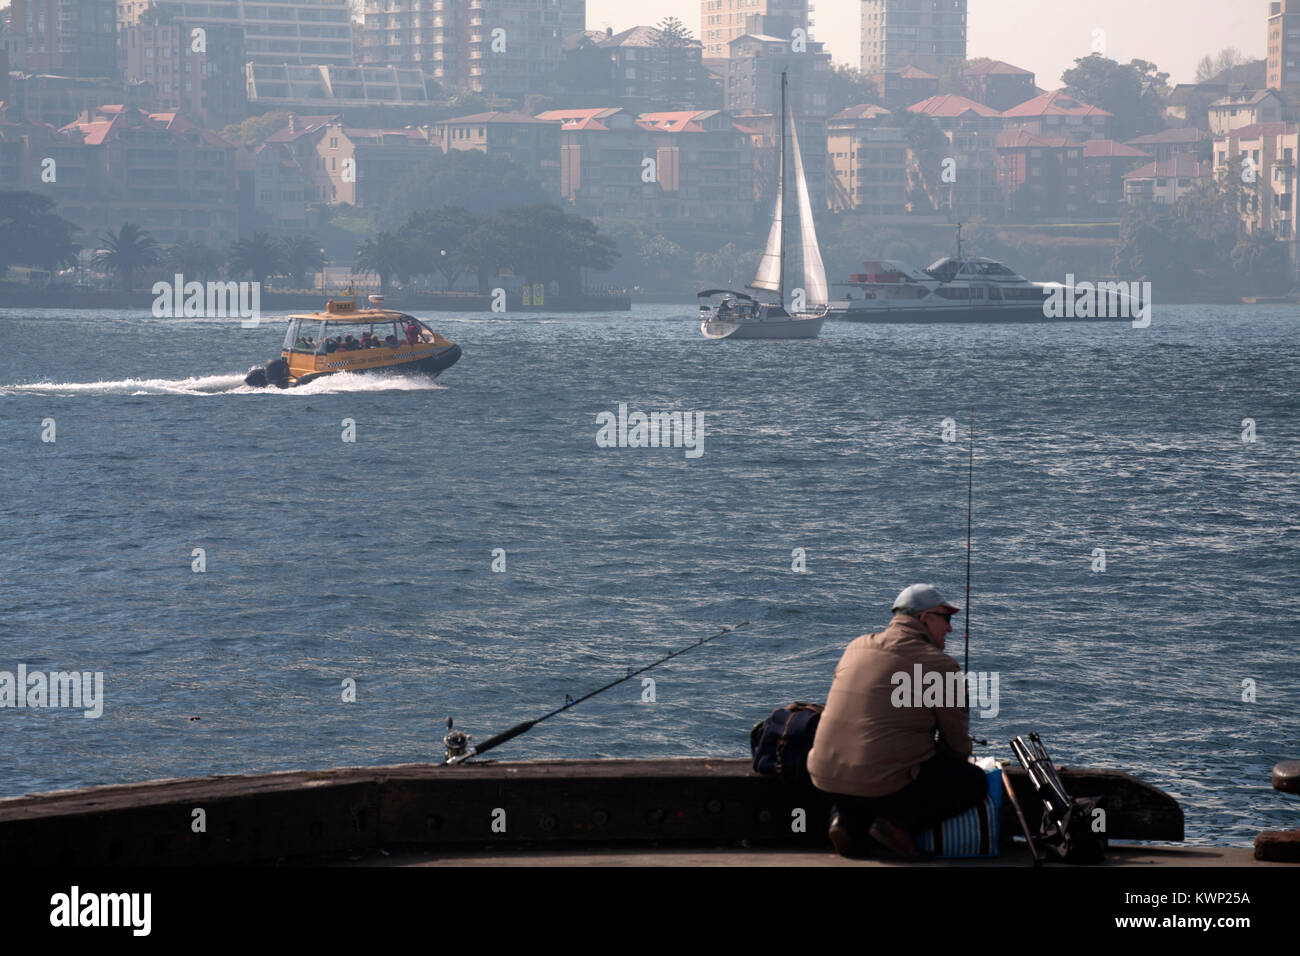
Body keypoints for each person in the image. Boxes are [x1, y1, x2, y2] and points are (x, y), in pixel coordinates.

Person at [807, 584, 988, 859]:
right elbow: (958, 746)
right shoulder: (939, 665)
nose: (950, 629)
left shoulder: (856, 647)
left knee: (868, 763)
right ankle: (896, 825)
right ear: (925, 618)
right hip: (878, 785)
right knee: (972, 780)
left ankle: (843, 821)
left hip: (824, 778)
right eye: (947, 619)